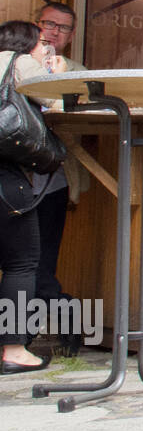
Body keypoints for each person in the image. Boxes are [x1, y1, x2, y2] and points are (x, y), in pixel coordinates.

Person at [0, 20, 54, 373]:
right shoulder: (18, 62)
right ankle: (15, 350)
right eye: (42, 42)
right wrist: (52, 68)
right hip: (4, 175)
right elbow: (52, 97)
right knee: (21, 262)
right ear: (28, 44)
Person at [32, 3, 86, 353]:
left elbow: (88, 111)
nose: (54, 32)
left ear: (71, 35)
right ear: (36, 25)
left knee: (38, 266)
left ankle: (63, 323)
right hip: (10, 180)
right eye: (48, 24)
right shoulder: (13, 64)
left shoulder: (77, 71)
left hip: (50, 182)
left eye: (63, 28)